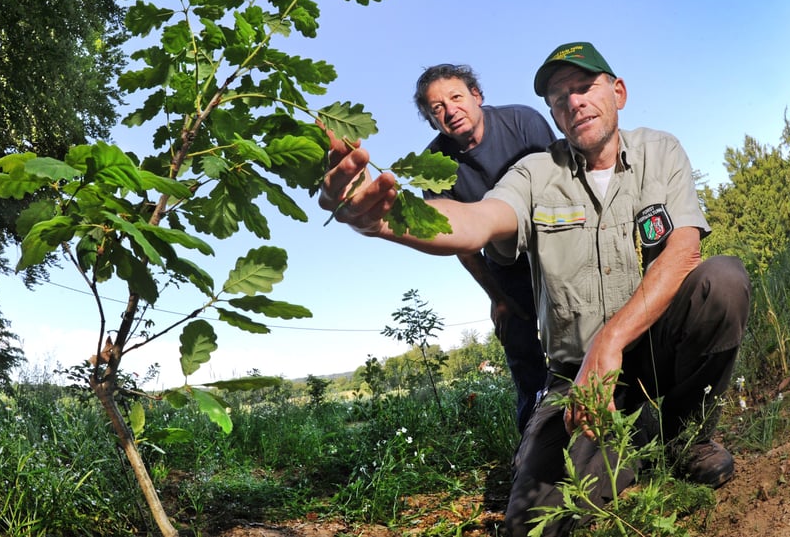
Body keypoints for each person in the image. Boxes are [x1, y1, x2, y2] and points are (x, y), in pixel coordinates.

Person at [318, 42, 751, 536]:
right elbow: (478, 222)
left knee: (722, 281)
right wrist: (387, 220)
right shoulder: (533, 173)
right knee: (531, 523)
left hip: (654, 349)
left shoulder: (661, 150)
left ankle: (686, 435)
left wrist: (610, 341)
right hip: (575, 373)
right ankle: (624, 443)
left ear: (618, 92)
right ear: (553, 113)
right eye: (559, 96)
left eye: (585, 87)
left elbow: (683, 252)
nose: (574, 102)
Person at [413, 63, 556, 433]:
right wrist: (498, 298)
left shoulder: (524, 123)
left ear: (477, 96)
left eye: (456, 97)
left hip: (554, 244)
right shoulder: (432, 167)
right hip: (504, 265)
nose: (449, 109)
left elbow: (563, 187)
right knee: (519, 341)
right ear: (432, 121)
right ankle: (533, 433)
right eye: (436, 108)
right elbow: (460, 244)